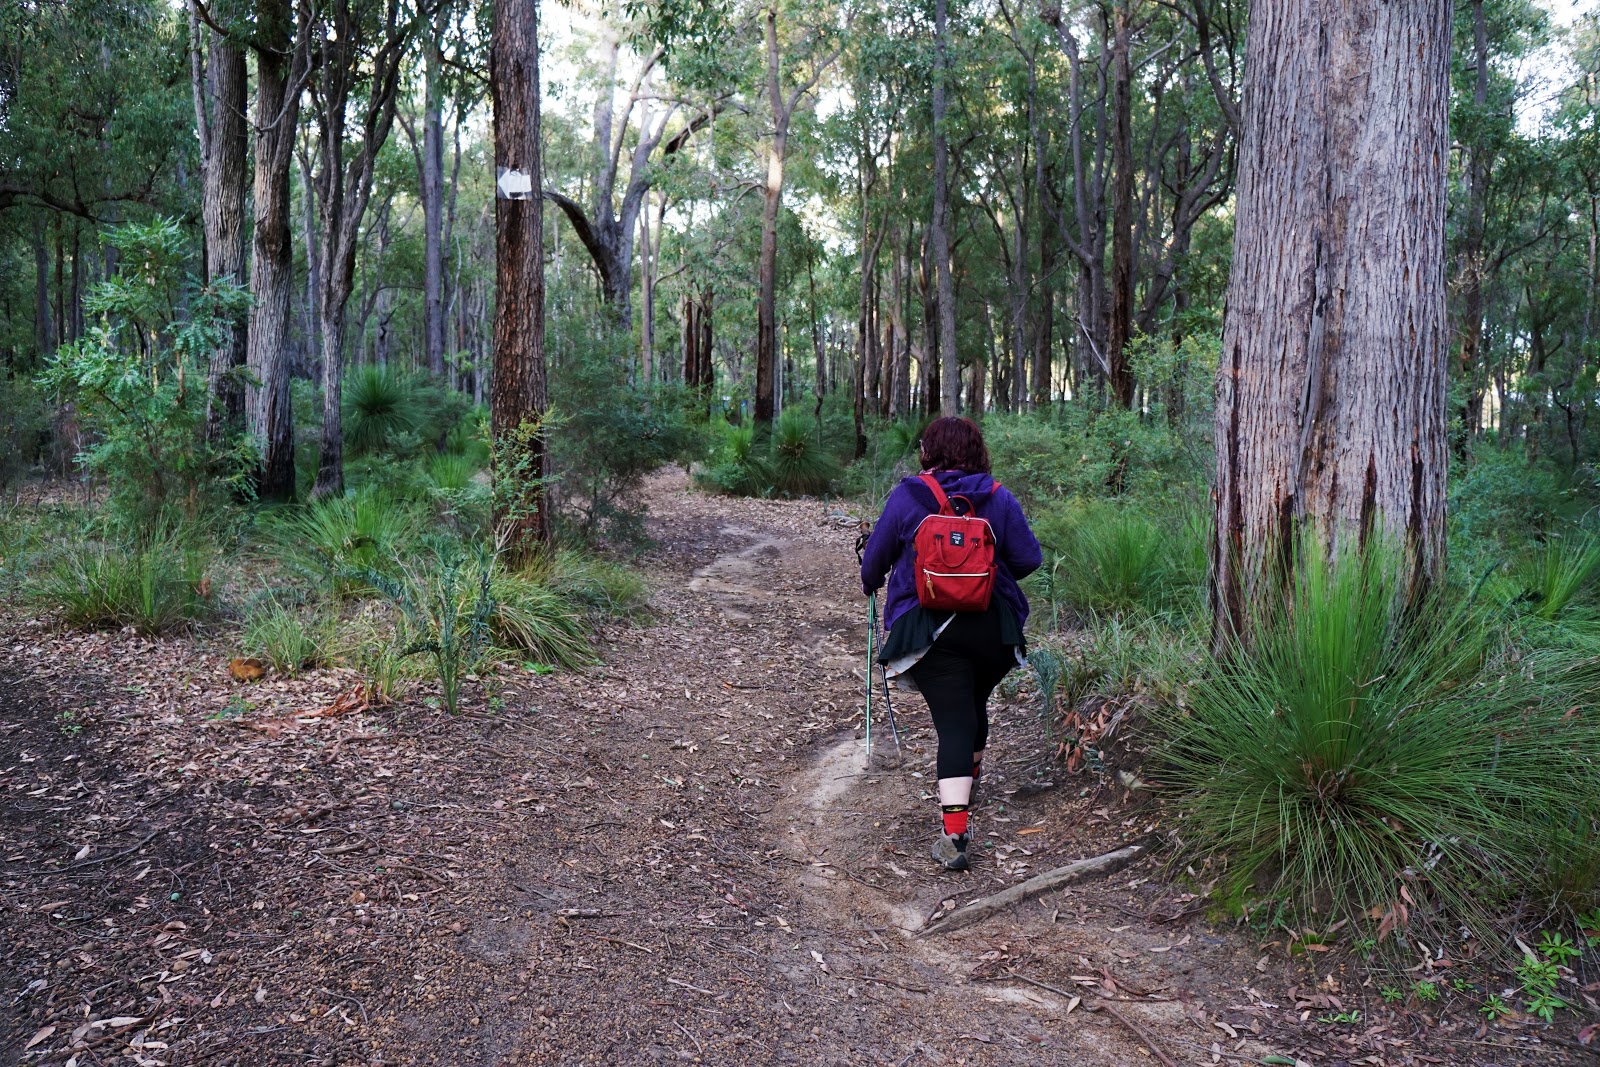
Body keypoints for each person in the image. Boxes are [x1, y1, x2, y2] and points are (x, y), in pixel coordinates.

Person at [858, 416, 1042, 871]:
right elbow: (1028, 558)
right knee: (973, 703)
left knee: (955, 722)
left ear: (928, 451)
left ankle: (955, 834)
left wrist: (872, 580)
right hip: (993, 630)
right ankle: (970, 776)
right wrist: (982, 574)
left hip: (930, 632)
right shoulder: (997, 497)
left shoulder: (909, 495)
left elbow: (876, 560)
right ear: (977, 451)